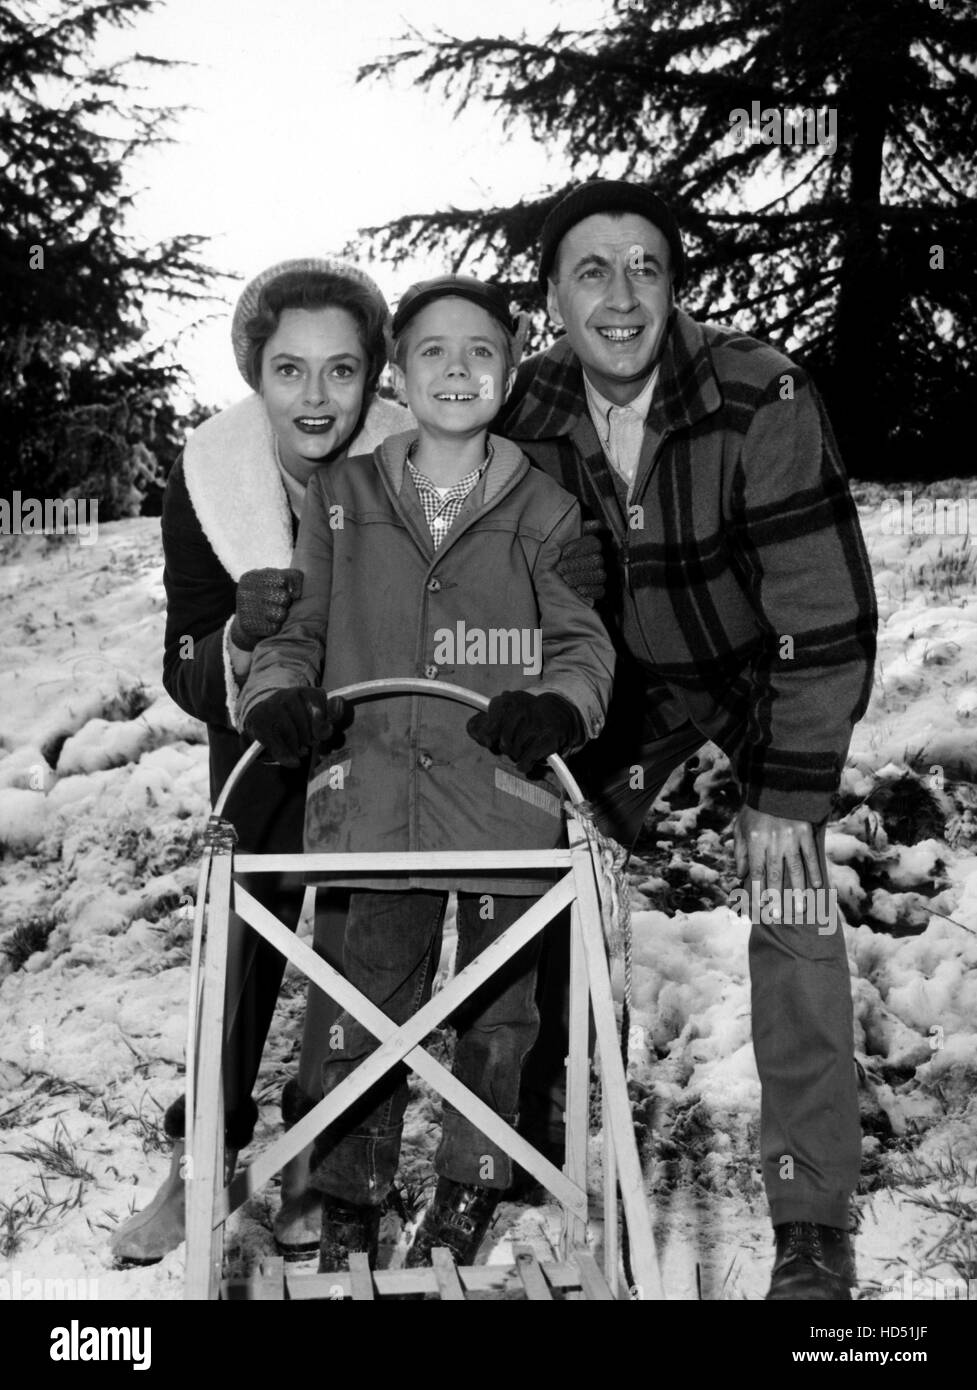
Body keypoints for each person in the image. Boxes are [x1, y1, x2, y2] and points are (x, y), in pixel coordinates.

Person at [498, 181, 878, 1301]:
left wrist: (785, 797)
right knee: (531, 867)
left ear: (676, 286)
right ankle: (520, 1143)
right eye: (590, 272)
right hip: (620, 682)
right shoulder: (524, 410)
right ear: (551, 299)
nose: (621, 297)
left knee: (794, 899)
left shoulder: (761, 394)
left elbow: (827, 615)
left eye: (646, 268)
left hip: (765, 668)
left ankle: (810, 1219)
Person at [237, 274, 616, 1271]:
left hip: (499, 801)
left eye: (481, 350)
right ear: (399, 372)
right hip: (372, 794)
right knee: (362, 1008)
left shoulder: (542, 507)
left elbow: (579, 643)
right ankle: (350, 1195)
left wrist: (558, 705)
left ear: (510, 366)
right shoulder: (343, 497)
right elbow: (300, 630)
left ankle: (467, 1189)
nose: (458, 369)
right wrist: (275, 693)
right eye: (434, 351)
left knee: (500, 1017)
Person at [110, 258, 412, 1264]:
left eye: (340, 370)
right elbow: (184, 667)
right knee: (238, 940)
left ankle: (320, 1157)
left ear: (372, 375)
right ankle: (201, 1154)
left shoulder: (416, 456)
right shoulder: (205, 476)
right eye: (289, 371)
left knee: (353, 934)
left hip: (375, 732)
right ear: (256, 374)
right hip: (259, 742)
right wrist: (237, 642)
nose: (315, 397)